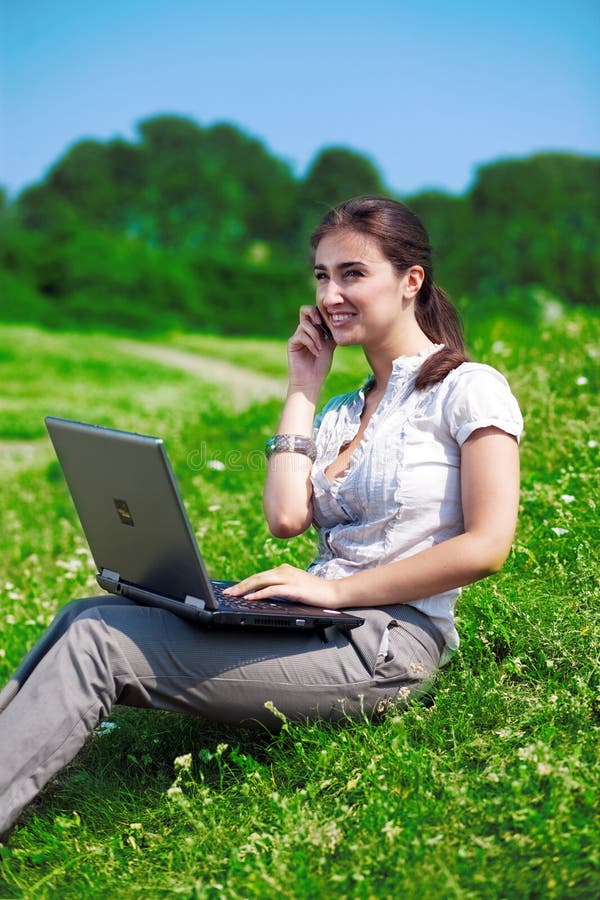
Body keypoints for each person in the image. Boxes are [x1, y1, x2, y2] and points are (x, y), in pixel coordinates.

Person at [0, 196, 523, 837]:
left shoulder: (469, 388)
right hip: (320, 622)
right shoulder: (338, 411)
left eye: (353, 273)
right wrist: (302, 385)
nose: (331, 293)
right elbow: (284, 516)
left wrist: (336, 591)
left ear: (411, 280)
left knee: (98, 645)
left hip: (387, 644)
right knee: (86, 613)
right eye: (322, 275)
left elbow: (488, 546)